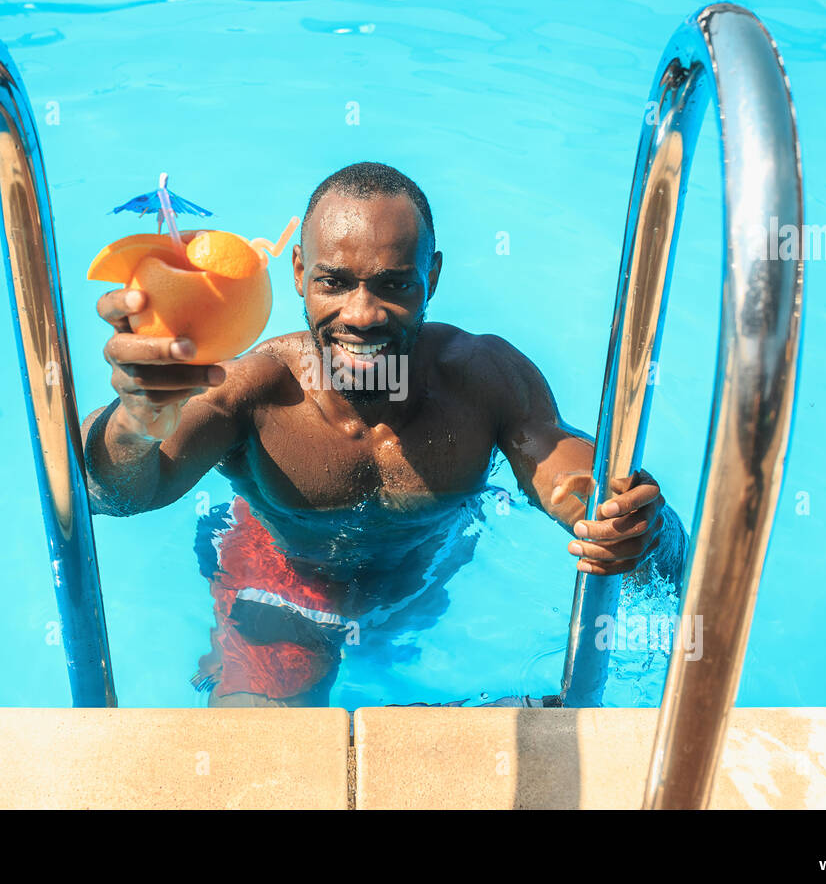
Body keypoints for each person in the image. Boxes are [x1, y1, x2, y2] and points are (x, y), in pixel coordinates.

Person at [83, 162, 683, 707]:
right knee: (261, 761)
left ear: (434, 275)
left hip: (421, 581)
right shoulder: (253, 393)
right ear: (298, 273)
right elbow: (113, 492)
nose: (362, 313)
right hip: (280, 589)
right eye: (334, 282)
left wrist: (622, 516)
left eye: (394, 284)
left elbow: (566, 470)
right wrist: (134, 424)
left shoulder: (483, 380)